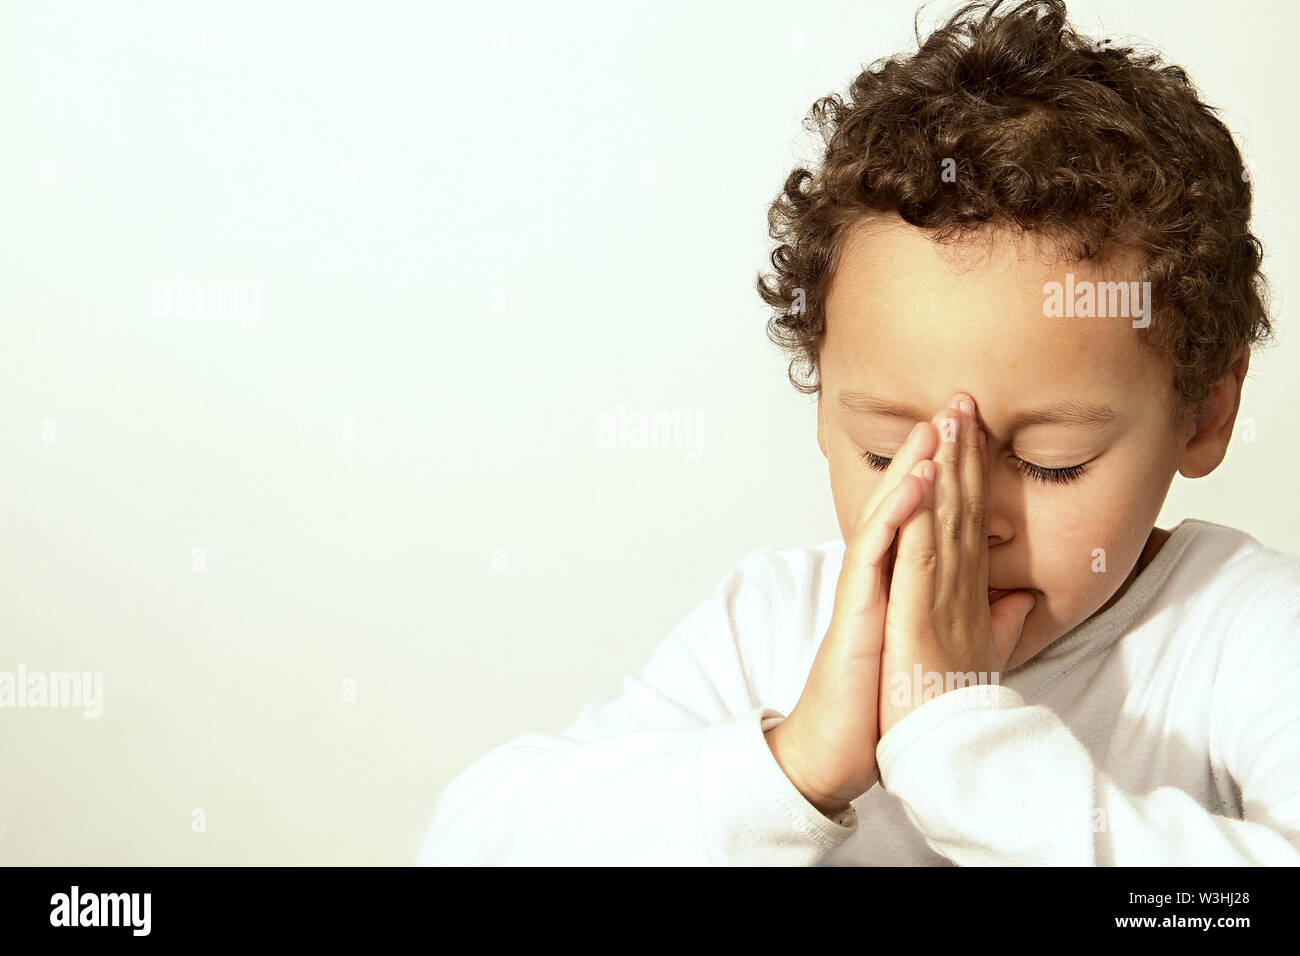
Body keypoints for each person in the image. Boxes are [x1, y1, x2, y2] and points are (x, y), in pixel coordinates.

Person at [417, 0, 1300, 865]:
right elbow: (466, 846)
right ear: (820, 405)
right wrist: (794, 766)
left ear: (1207, 412)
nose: (959, 512)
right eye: (887, 449)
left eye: (1049, 461)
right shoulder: (771, 625)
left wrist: (958, 748)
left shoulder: (1245, 633)